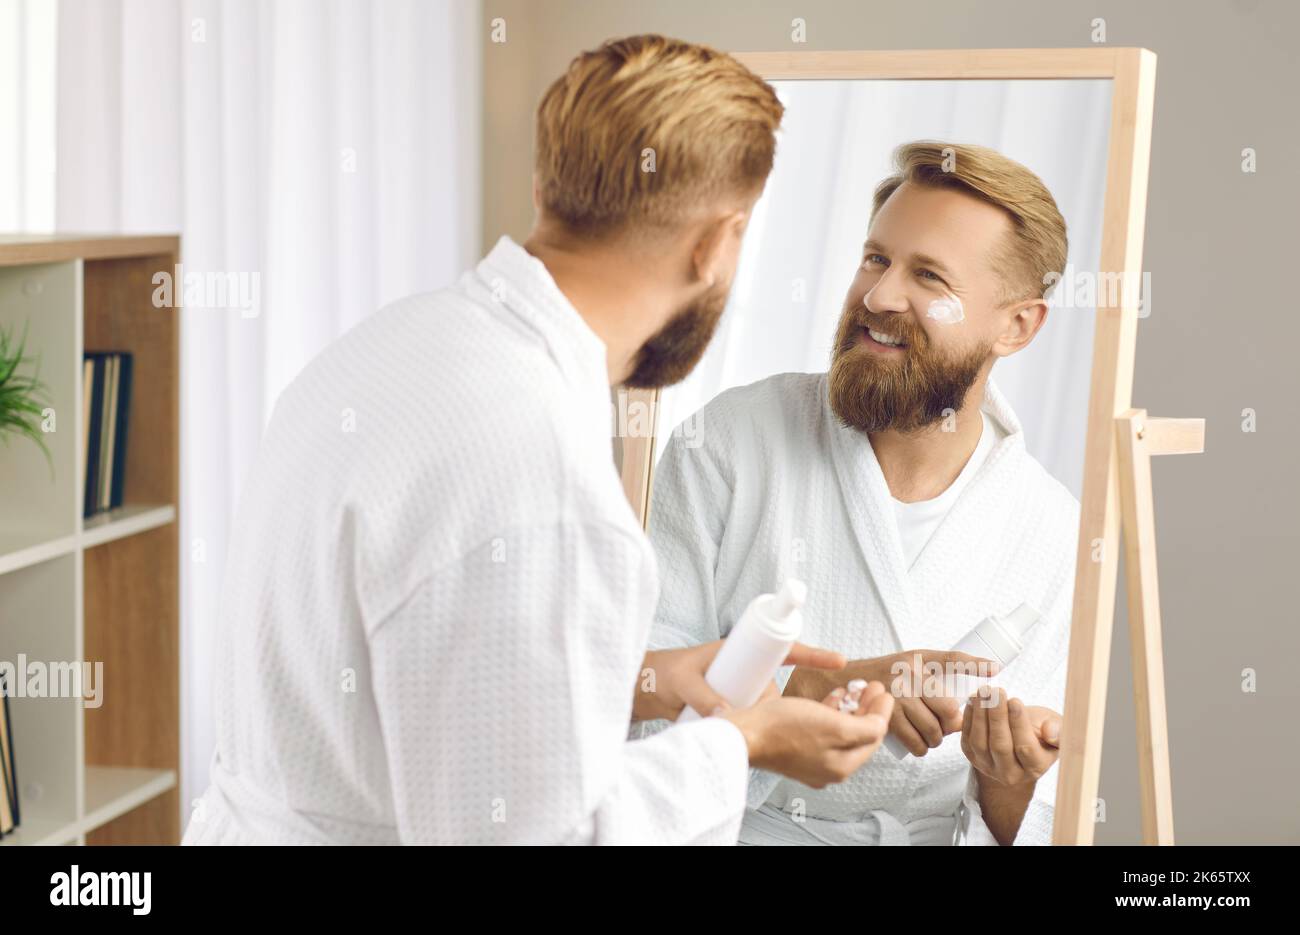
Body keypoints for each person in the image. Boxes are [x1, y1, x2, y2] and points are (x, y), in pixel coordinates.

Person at [183, 34, 893, 846]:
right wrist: (745, 742)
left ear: (545, 186)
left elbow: (426, 676)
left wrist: (652, 680)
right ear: (715, 245)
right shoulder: (545, 474)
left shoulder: (377, 350)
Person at [639, 142, 1079, 845]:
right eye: (876, 258)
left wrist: (1007, 778)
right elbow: (638, 708)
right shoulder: (729, 440)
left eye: (928, 276)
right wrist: (801, 694)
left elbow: (1036, 817)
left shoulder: (1054, 530)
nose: (877, 296)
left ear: (1016, 324)